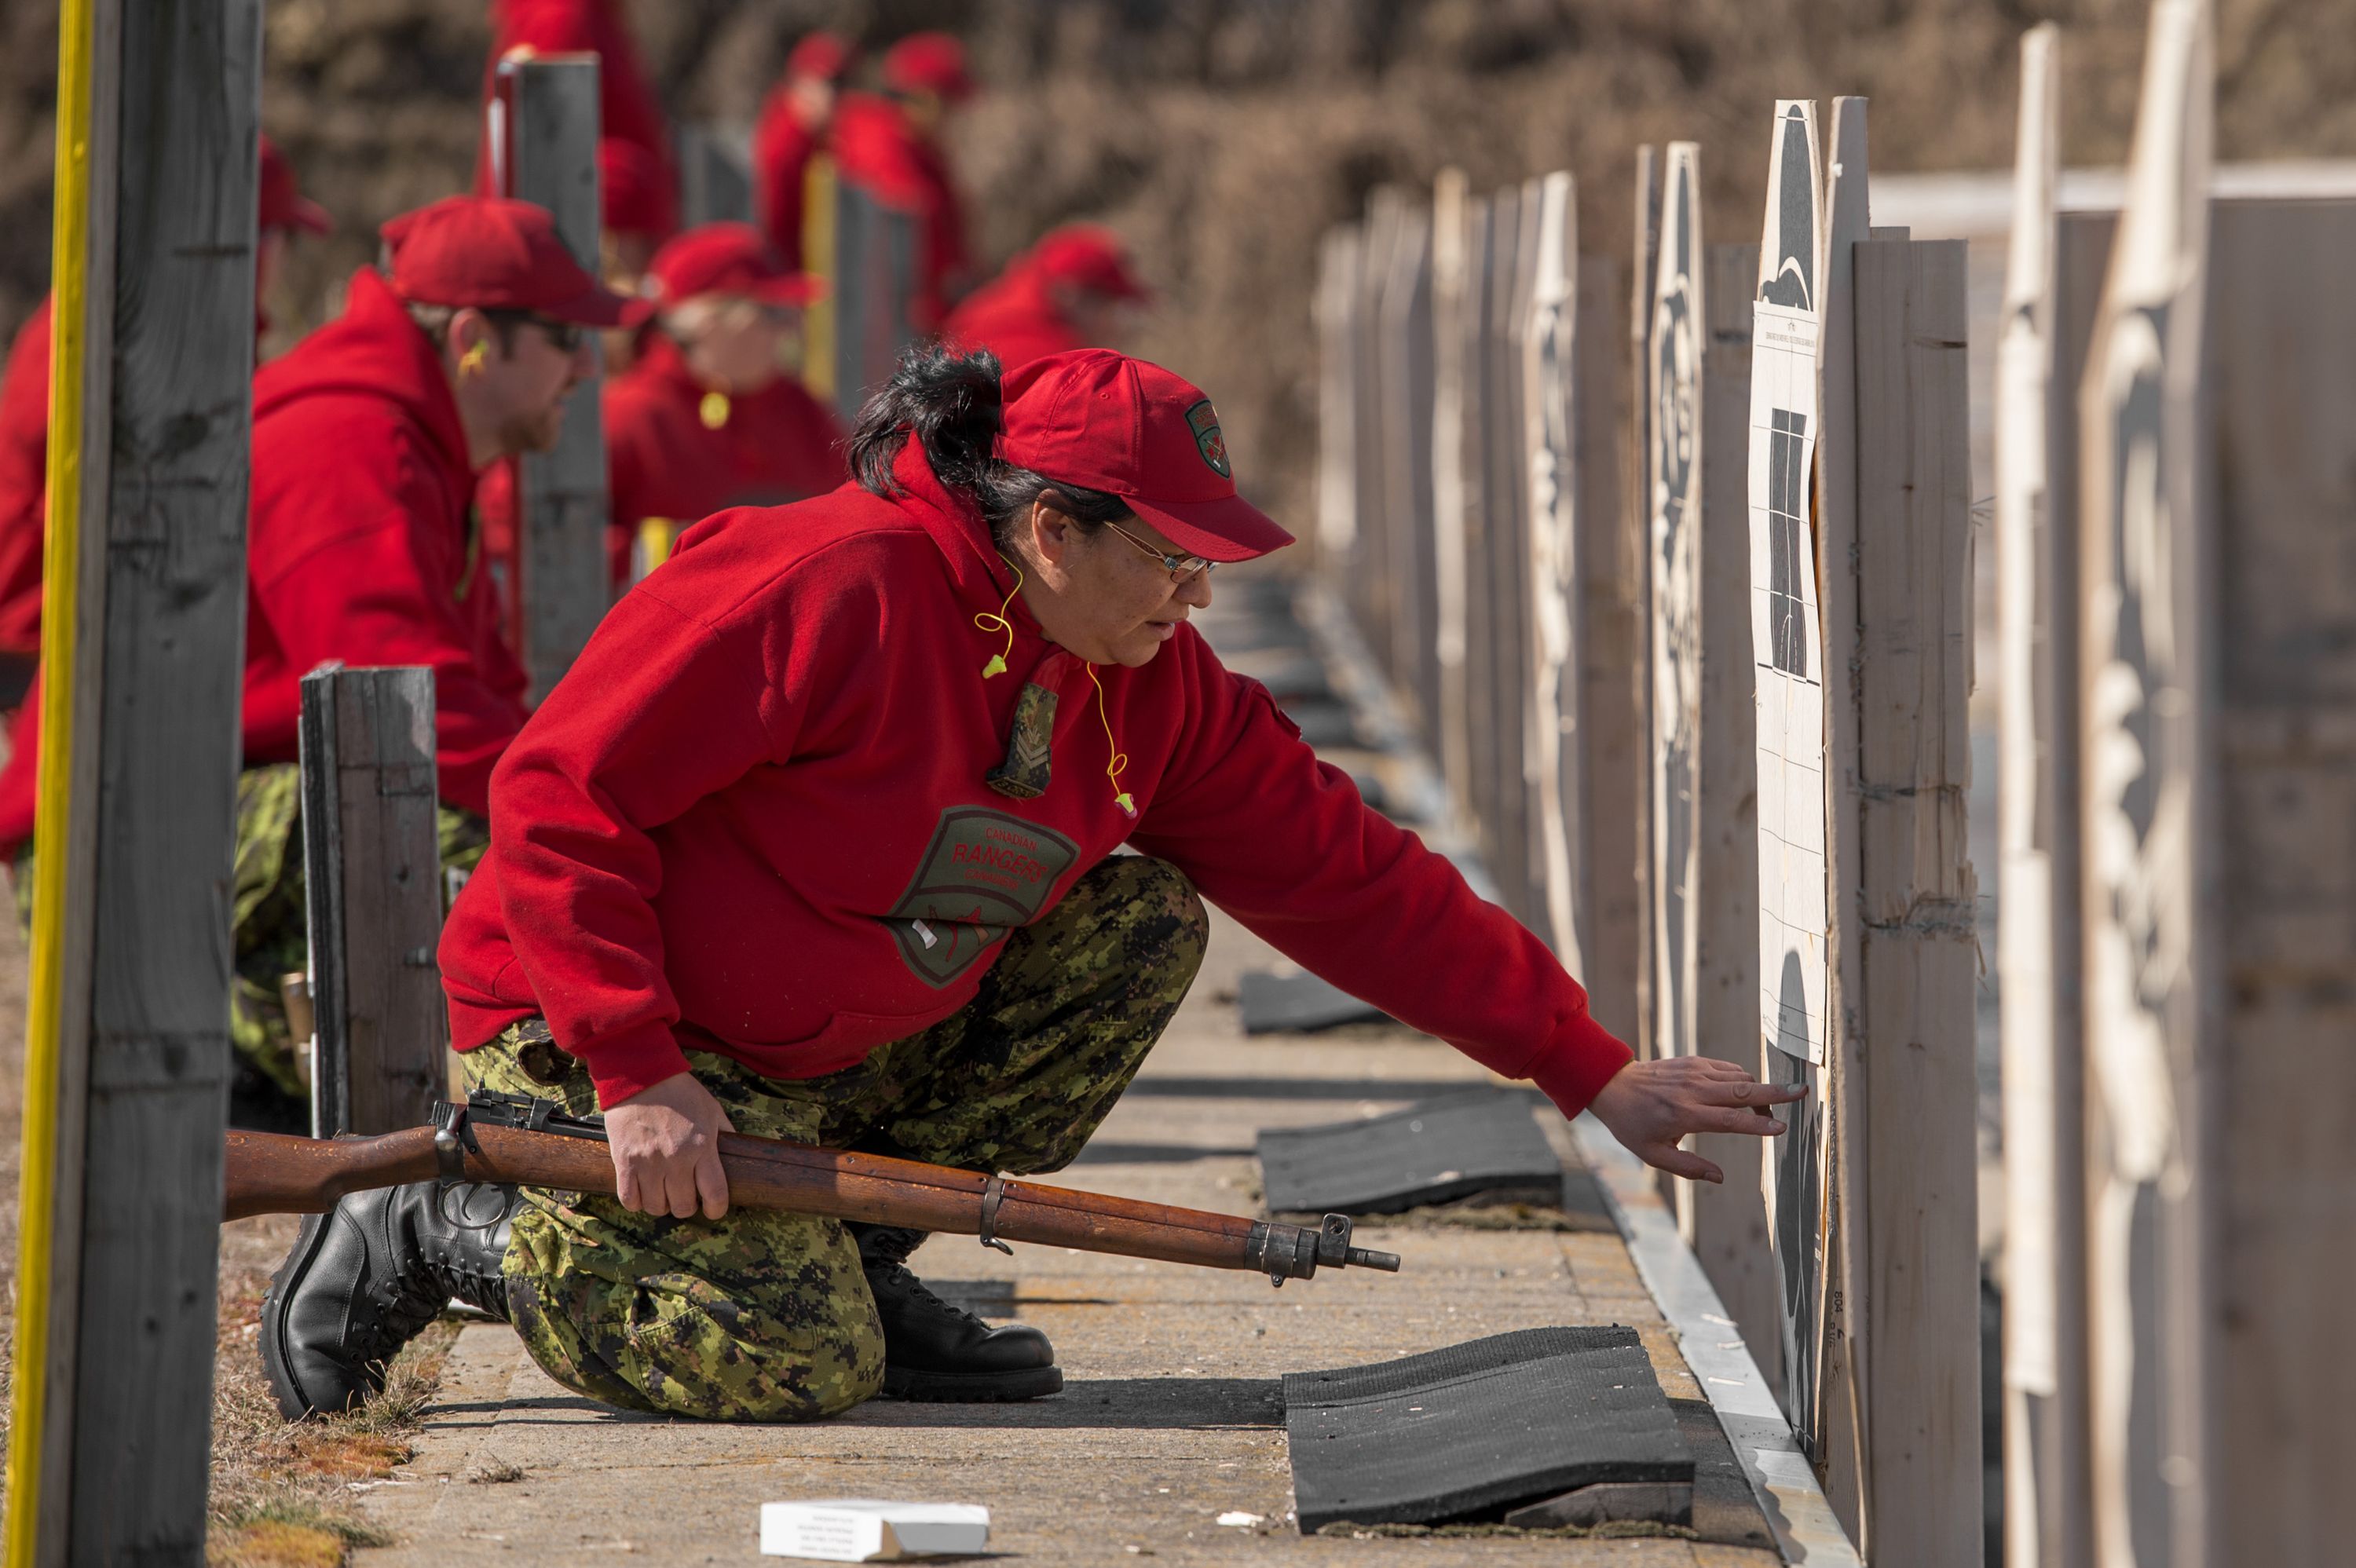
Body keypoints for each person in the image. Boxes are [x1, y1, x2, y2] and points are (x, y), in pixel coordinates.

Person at [260, 343, 1805, 1424]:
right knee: (786, 1371)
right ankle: (440, 1223)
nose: (1201, 595)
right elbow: (561, 788)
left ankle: (838, 1250)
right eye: (1176, 558)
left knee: (1138, 934)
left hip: (817, 1055)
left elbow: (1351, 876)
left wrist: (1583, 1064)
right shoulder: (828, 582)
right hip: (603, 1051)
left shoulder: (1156, 683)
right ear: (1050, 528)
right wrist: (635, 1062)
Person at [0, 196, 636, 1116]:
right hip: (112, 851)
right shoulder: (351, 439)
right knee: (452, 836)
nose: (587, 365)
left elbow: (482, 695)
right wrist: (583, 824)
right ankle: (237, 1051)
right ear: (472, 339)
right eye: (564, 336)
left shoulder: (422, 444)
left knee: (490, 836)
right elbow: (409, 711)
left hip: (206, 815)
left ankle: (262, 1052)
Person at [0, 135, 329, 672]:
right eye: (283, 236)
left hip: (74, 640)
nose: (285, 261)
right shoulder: (161, 337)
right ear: (249, 243)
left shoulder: (124, 308)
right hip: (52, 655)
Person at [476, 221, 845, 590]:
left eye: (794, 315)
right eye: (772, 314)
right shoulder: (630, 414)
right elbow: (510, 525)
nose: (791, 331)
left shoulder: (802, 410)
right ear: (705, 321)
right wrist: (654, 564)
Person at [478, 0, 679, 269]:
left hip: (604, 244)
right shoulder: (560, 17)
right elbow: (548, 162)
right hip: (595, 254)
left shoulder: (585, 14)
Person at [829, 31, 978, 332]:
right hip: (888, 323)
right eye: (951, 104)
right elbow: (910, 222)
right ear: (926, 96)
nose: (956, 117)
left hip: (920, 314)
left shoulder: (919, 144)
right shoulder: (876, 138)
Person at [943, 225, 1151, 375]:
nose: (1115, 324)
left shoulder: (989, 306)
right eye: (1111, 307)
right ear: (1071, 295)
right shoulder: (1058, 357)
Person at [752, 31, 854, 271]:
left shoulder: (814, 136)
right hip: (784, 273)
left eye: (843, 84)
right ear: (800, 83)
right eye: (830, 84)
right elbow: (774, 225)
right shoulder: (785, 142)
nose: (838, 96)